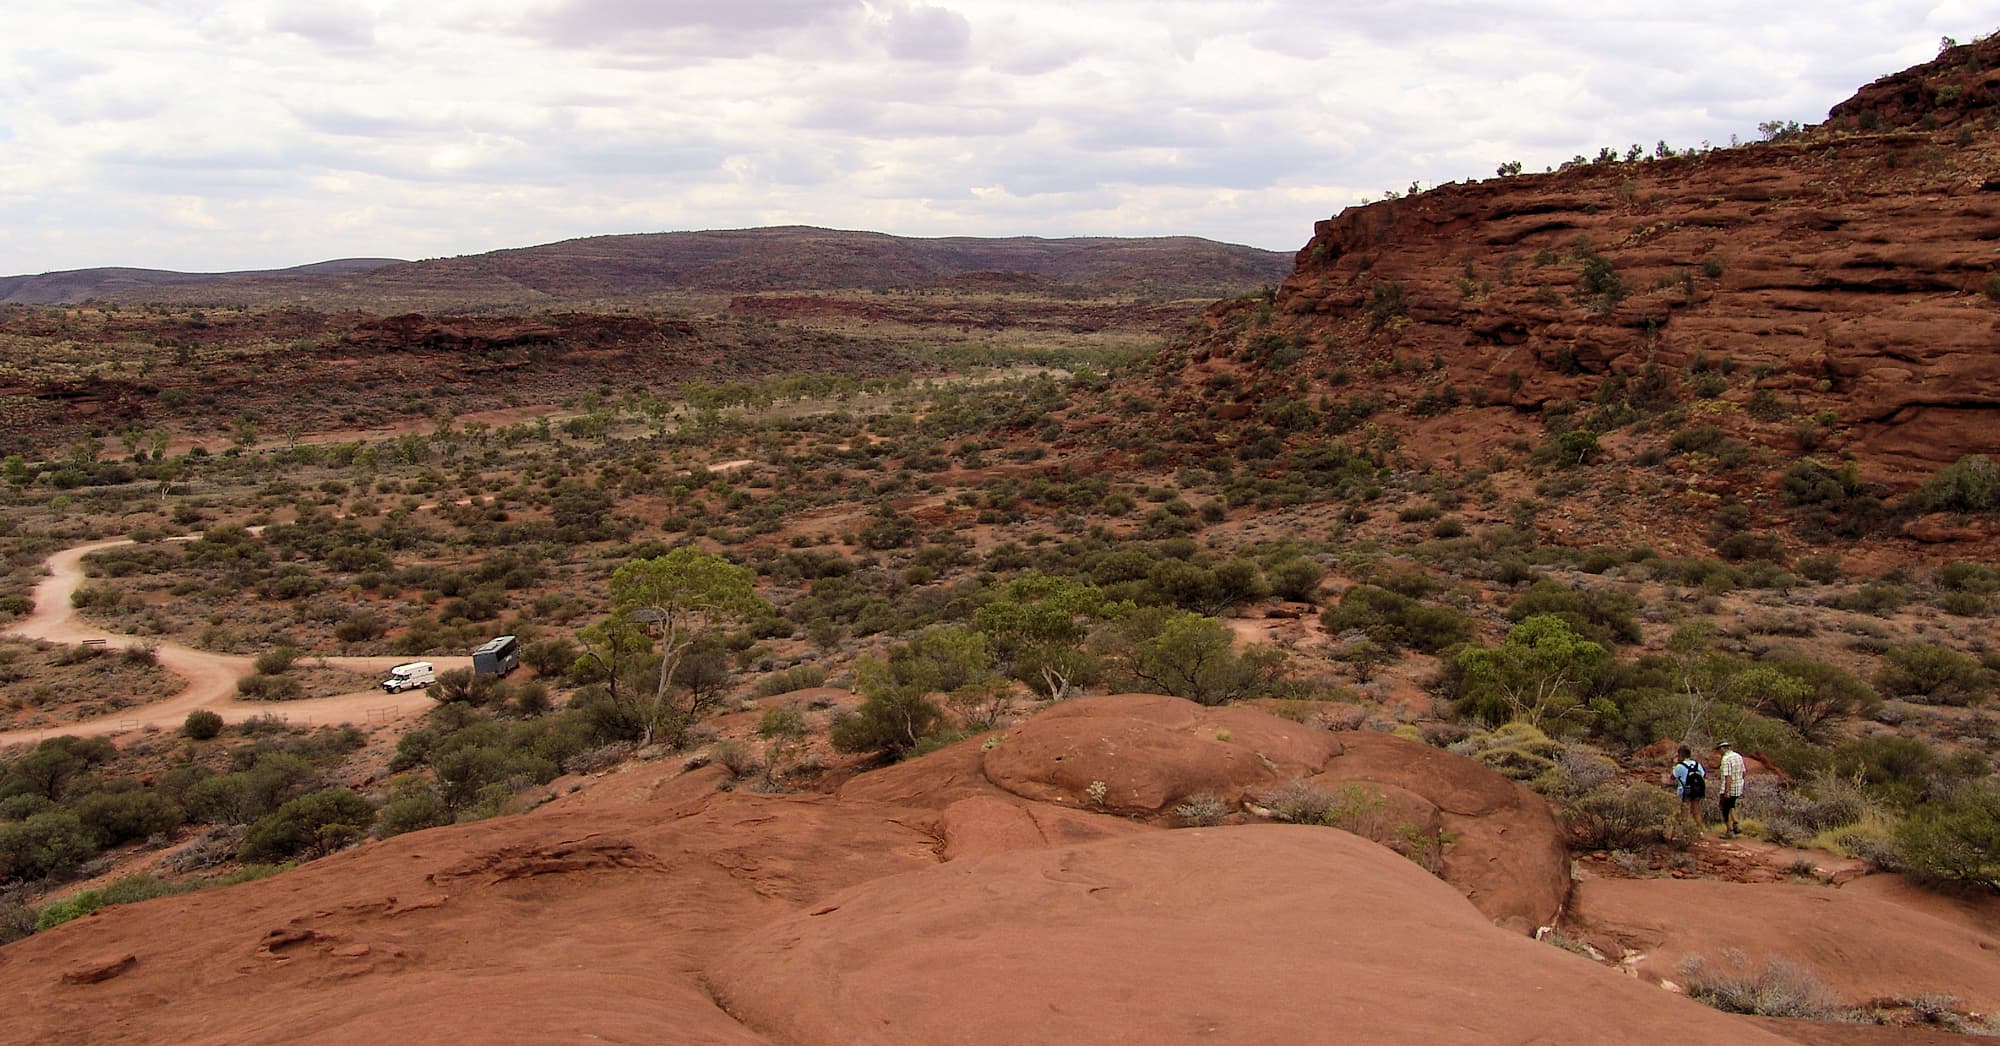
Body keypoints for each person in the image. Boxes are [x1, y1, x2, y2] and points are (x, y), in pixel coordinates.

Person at [1671, 744, 1707, 836]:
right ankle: (1700, 831)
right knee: (1696, 811)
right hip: (1696, 790)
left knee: (1685, 812)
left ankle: (1685, 832)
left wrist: (1674, 765)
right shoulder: (1697, 764)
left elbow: (1672, 778)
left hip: (1684, 791)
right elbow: (1702, 775)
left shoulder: (1679, 766)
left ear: (1681, 755)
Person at [1717, 741, 1746, 836]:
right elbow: (1744, 772)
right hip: (1738, 787)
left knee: (1724, 808)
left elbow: (1728, 776)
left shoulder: (1726, 759)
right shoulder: (1738, 756)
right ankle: (1736, 824)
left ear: (1723, 748)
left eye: (1719, 749)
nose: (1718, 752)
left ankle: (1729, 831)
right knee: (1731, 805)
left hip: (1729, 788)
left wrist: (1727, 790)